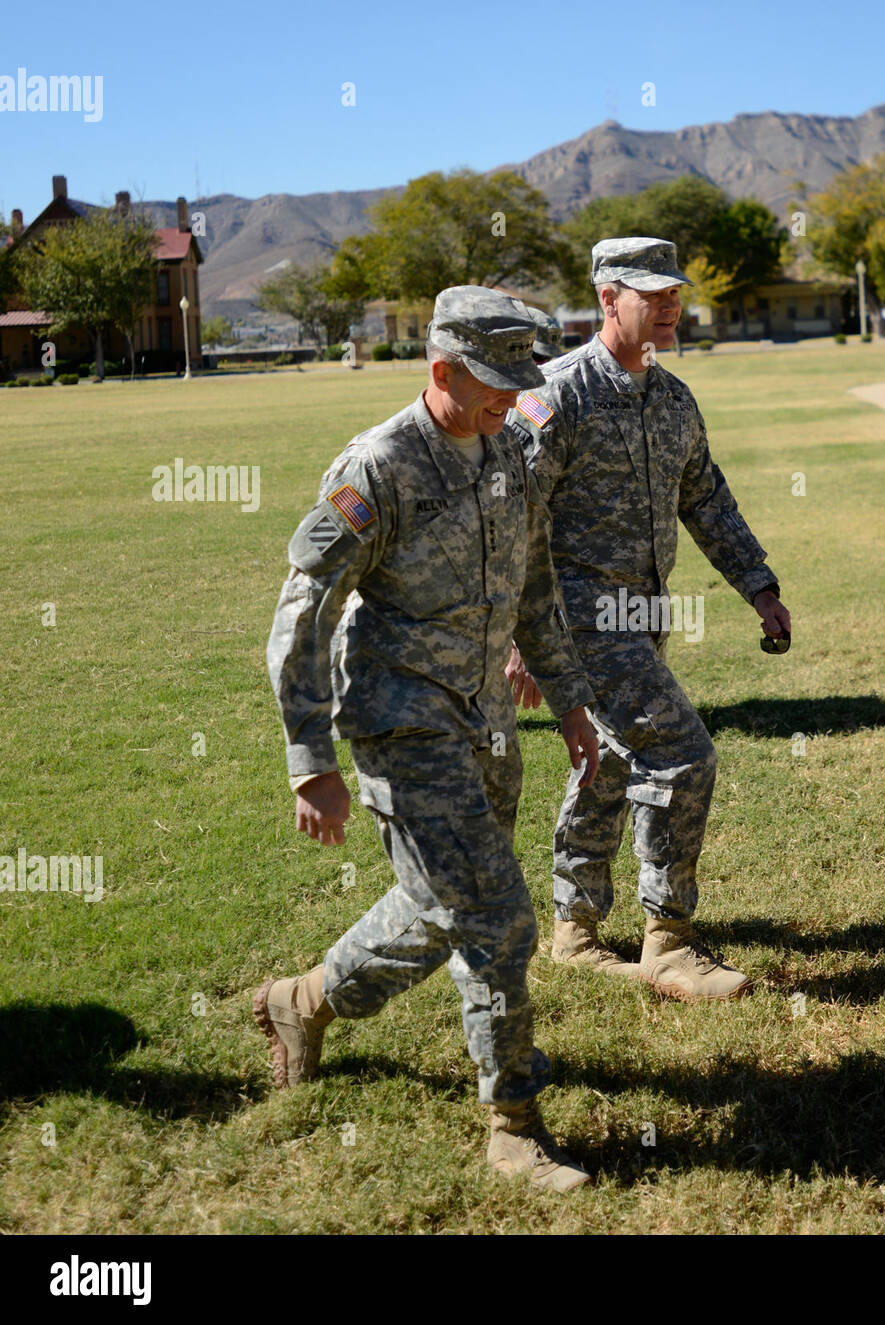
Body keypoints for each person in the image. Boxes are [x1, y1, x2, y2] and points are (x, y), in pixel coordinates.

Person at [256, 286, 600, 1193]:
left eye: (516, 382)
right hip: (402, 724)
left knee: (441, 904)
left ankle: (303, 1001)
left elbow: (534, 588)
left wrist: (566, 699)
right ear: (439, 369)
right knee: (497, 917)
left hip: (485, 717)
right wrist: (310, 761)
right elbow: (301, 614)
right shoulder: (380, 466)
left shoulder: (512, 450)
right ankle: (513, 1126)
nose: (507, 400)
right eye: (490, 383)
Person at [504, 237, 792, 1002]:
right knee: (683, 752)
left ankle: (575, 929)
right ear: (608, 299)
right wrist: (521, 640)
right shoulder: (555, 394)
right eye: (652, 294)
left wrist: (758, 586)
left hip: (645, 614)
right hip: (579, 620)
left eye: (675, 294)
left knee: (612, 759)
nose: (670, 307)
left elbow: (706, 499)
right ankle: (669, 940)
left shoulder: (672, 400)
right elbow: (517, 520)